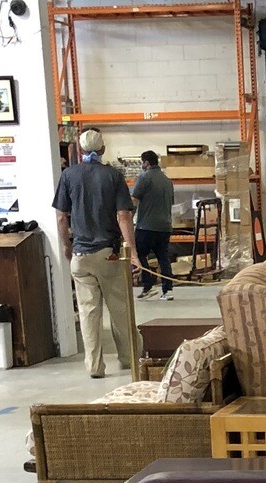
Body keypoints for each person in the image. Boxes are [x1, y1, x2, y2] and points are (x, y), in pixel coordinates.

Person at [52, 128, 142, 378]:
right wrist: (132, 251)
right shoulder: (113, 176)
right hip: (108, 255)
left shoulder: (68, 175)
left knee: (88, 313)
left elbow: (61, 217)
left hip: (80, 257)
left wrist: (67, 246)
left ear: (79, 150)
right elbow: (123, 215)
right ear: (102, 149)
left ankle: (94, 367)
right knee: (120, 309)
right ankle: (130, 359)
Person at [131, 150, 176, 301]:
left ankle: (148, 284)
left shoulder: (144, 178)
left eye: (142, 163)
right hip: (165, 226)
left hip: (146, 226)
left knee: (139, 254)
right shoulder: (167, 181)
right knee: (163, 257)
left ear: (146, 163)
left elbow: (134, 201)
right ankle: (167, 290)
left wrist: (128, 220)